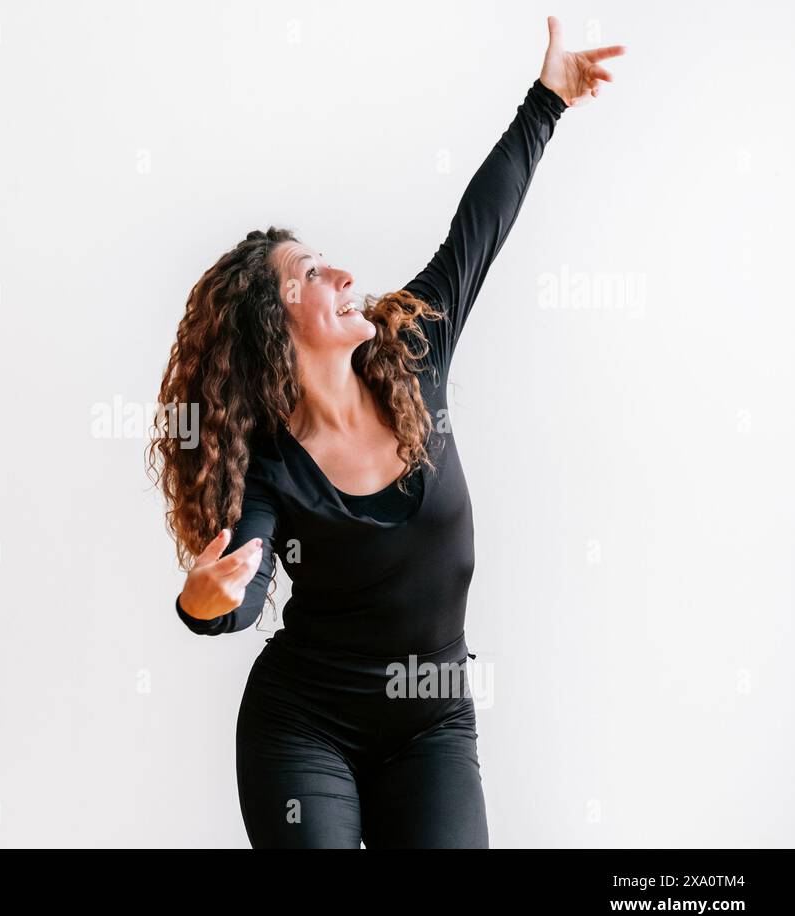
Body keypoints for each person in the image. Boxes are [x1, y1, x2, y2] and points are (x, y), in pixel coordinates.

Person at [147, 17, 625, 848]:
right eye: (307, 272)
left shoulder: (414, 352)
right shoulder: (269, 469)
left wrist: (546, 100)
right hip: (305, 732)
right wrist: (204, 596)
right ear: (272, 326)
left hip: (432, 725)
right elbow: (240, 589)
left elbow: (480, 226)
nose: (340, 273)